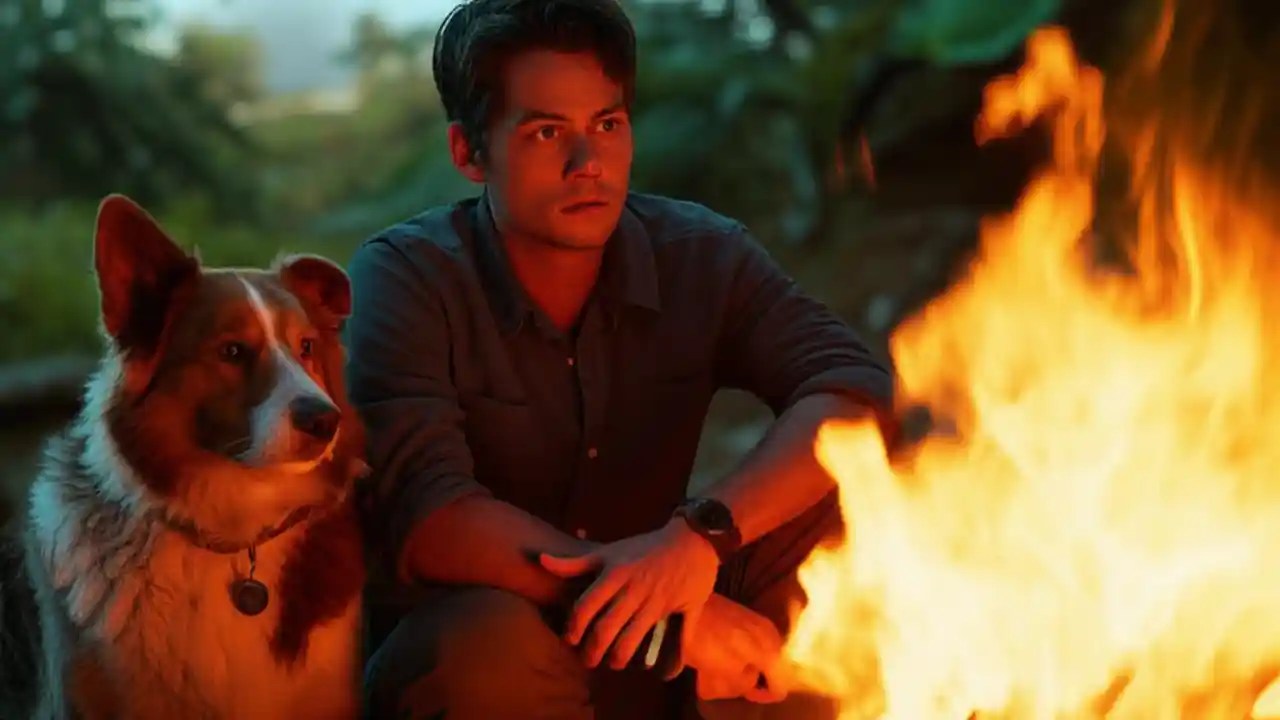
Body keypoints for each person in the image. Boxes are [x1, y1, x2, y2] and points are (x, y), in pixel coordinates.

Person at [344, 1, 894, 717]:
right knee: (481, 651)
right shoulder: (407, 276)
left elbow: (850, 387)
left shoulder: (698, 253)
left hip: (679, 616)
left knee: (851, 500)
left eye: (607, 124)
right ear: (469, 153)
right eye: (547, 132)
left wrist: (697, 538)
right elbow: (429, 515)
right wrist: (666, 618)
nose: (588, 163)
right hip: (503, 647)